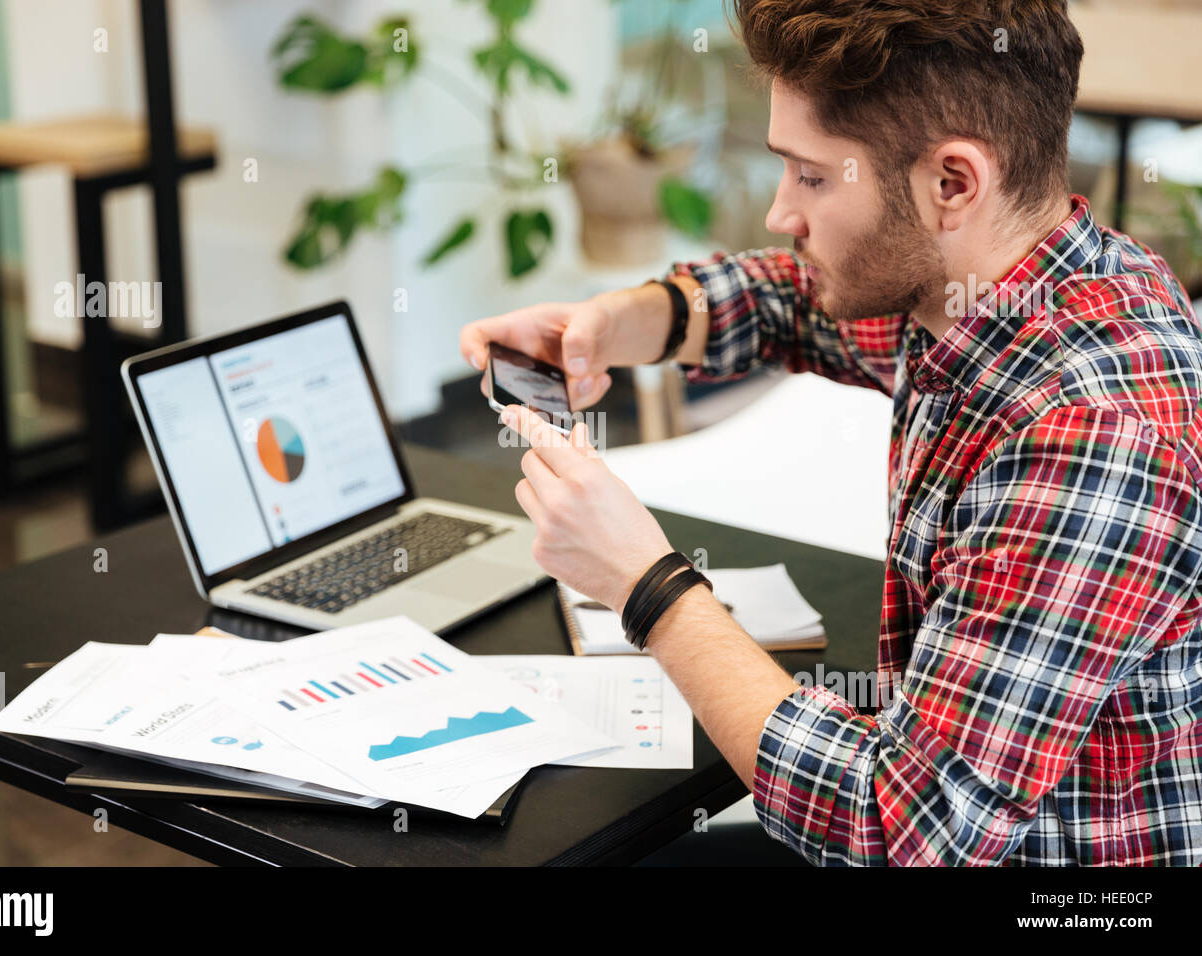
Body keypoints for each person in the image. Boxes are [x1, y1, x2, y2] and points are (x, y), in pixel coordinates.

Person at [459, 0, 1202, 866]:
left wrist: (645, 584)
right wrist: (625, 322)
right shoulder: (1015, 281)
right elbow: (800, 304)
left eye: (811, 178)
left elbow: (898, 829)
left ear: (952, 183)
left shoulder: (1094, 435)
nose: (783, 212)